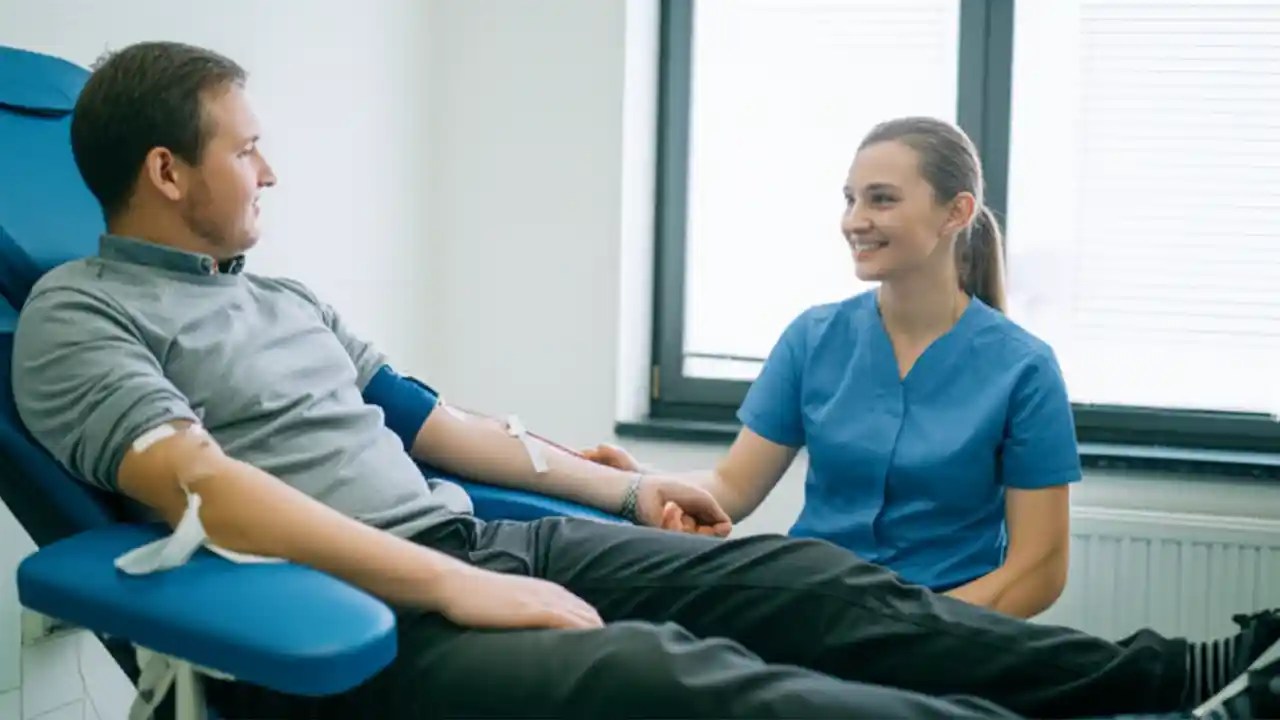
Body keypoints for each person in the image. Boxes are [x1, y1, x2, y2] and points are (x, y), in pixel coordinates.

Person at [10, 40, 1277, 720]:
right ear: (171, 171)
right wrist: (464, 587)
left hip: (478, 543)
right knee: (683, 681)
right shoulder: (77, 315)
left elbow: (435, 423)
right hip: (351, 615)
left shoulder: (280, 297)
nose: (271, 173)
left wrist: (624, 496)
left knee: (793, 575)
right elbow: (208, 496)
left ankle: (1171, 679)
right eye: (250, 149)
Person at [586, 116, 1079, 618]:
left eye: (881, 199)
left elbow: (1038, 569)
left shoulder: (1025, 370)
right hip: (812, 610)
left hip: (947, 628)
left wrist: (916, 629)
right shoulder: (813, 338)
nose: (854, 220)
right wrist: (644, 485)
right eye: (851, 199)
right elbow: (732, 486)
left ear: (956, 212)